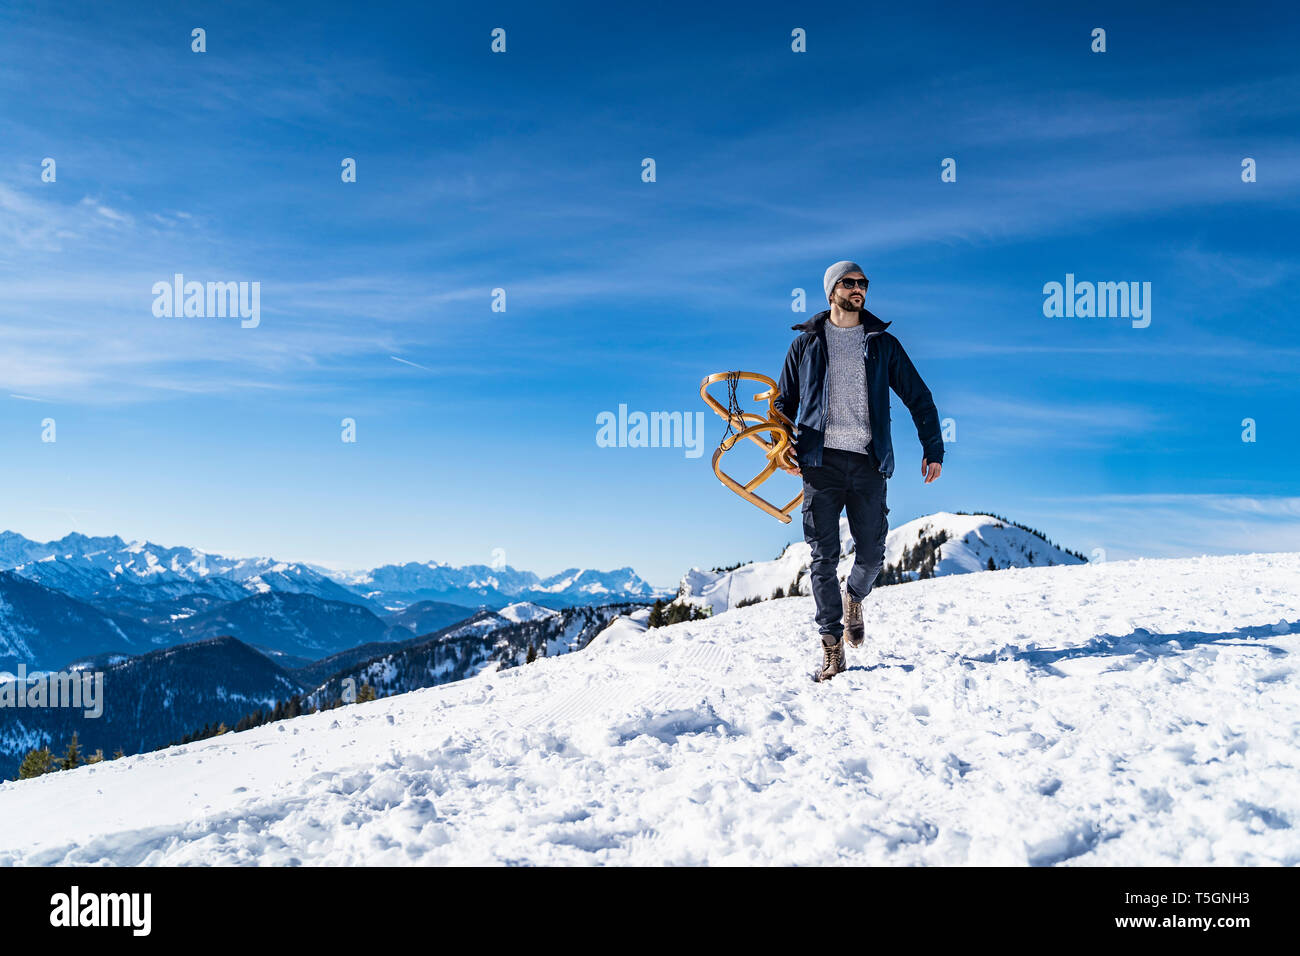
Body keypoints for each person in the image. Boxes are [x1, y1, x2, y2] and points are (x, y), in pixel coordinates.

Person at [774, 261, 944, 681]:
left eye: (863, 284)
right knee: (823, 558)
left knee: (871, 554)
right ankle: (832, 649)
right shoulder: (806, 344)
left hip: (869, 464)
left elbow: (918, 396)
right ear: (832, 290)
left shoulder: (882, 343)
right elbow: (782, 403)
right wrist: (783, 443)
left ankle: (855, 598)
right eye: (849, 283)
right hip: (820, 464)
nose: (859, 289)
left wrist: (933, 447)